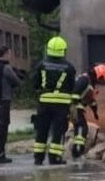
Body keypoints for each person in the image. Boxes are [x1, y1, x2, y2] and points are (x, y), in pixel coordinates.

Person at [32, 36, 77, 165]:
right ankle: (54, 158)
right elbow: (72, 86)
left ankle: (38, 158)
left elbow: (35, 83)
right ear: (63, 50)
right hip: (61, 105)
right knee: (58, 131)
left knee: (42, 130)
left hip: (44, 103)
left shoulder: (42, 64)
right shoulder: (68, 67)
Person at [71, 61, 105, 159]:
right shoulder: (85, 79)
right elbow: (75, 92)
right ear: (99, 75)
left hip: (76, 107)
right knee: (81, 127)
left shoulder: (90, 82)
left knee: (81, 127)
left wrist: (95, 112)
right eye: (102, 79)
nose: (101, 82)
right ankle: (77, 151)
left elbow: (91, 100)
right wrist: (75, 105)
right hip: (73, 106)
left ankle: (77, 151)